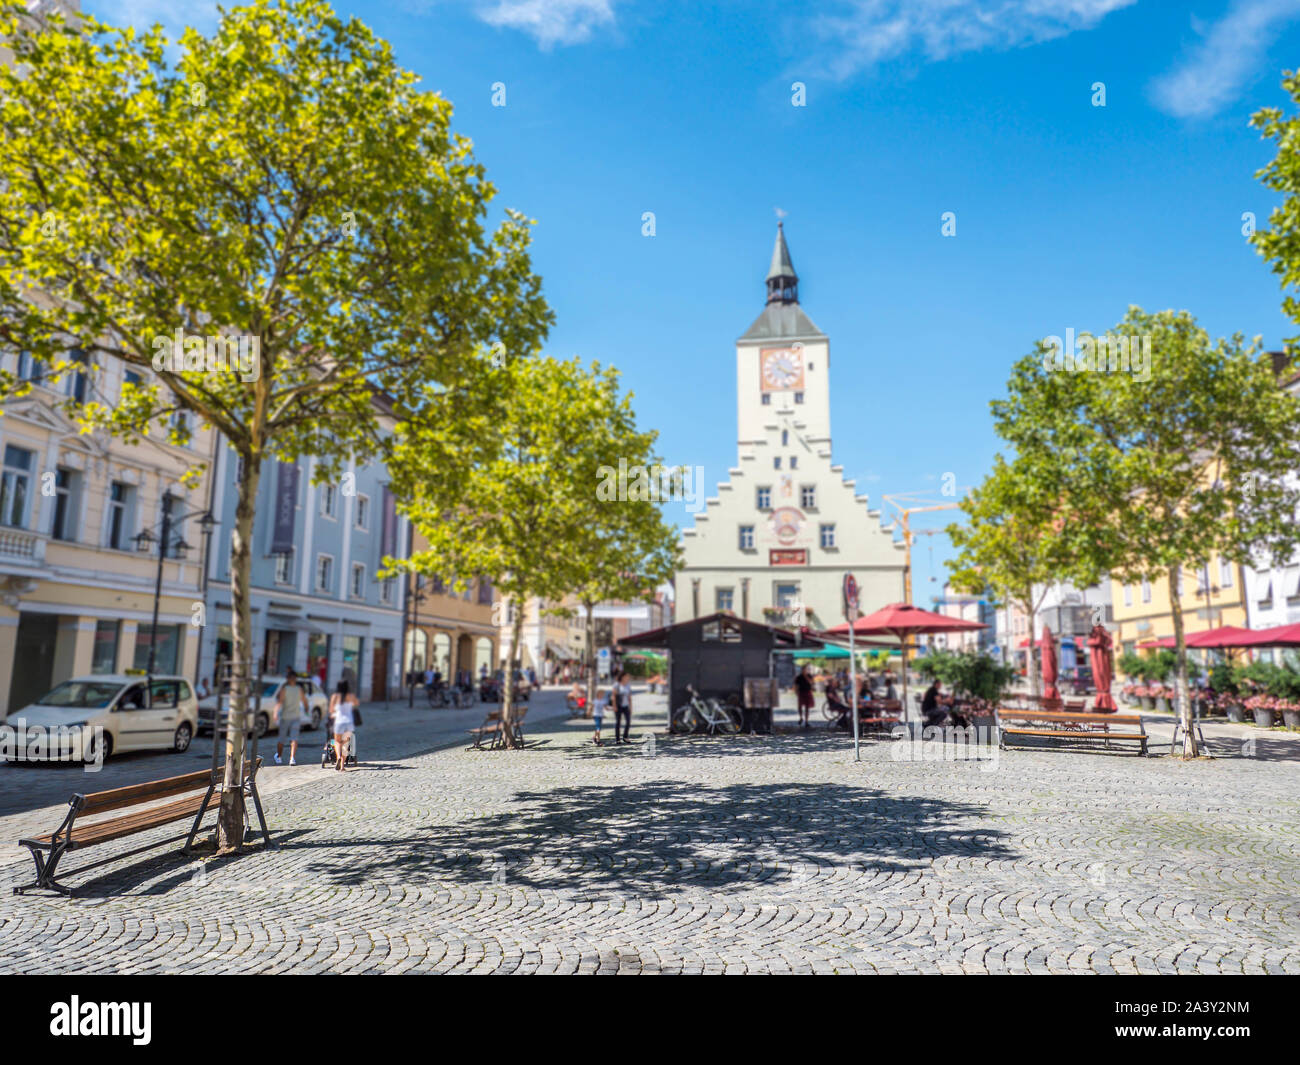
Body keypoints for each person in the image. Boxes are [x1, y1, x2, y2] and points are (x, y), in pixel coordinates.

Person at [274, 668, 305, 766]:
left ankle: (279, 757)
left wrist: (275, 713)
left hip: (285, 717)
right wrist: (307, 709)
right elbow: (304, 701)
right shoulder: (299, 689)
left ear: (288, 679)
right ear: (295, 679)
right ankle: (292, 758)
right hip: (296, 717)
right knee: (294, 739)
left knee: (282, 738)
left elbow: (280, 702)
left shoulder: (285, 689)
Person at [329, 679, 359, 772]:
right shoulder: (351, 696)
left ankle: (338, 757)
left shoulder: (335, 696)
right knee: (345, 744)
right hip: (349, 722)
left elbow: (331, 710)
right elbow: (356, 704)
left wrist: (336, 711)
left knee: (337, 742)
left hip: (339, 722)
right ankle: (342, 766)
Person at [613, 672, 633, 744]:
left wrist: (630, 707)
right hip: (618, 706)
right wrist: (614, 706)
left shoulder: (628, 685)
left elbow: (629, 697)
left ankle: (625, 737)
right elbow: (614, 697)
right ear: (622, 677)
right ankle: (617, 739)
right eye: (626, 676)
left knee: (628, 721)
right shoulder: (617, 685)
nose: (627, 678)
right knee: (618, 722)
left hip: (626, 706)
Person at [794, 664, 815, 729]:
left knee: (807, 708)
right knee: (800, 707)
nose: (804, 671)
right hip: (801, 692)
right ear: (801, 670)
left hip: (808, 692)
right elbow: (796, 685)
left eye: (805, 669)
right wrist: (796, 692)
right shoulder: (799, 677)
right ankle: (801, 718)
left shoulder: (809, 676)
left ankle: (806, 721)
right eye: (803, 669)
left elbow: (812, 683)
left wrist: (806, 677)